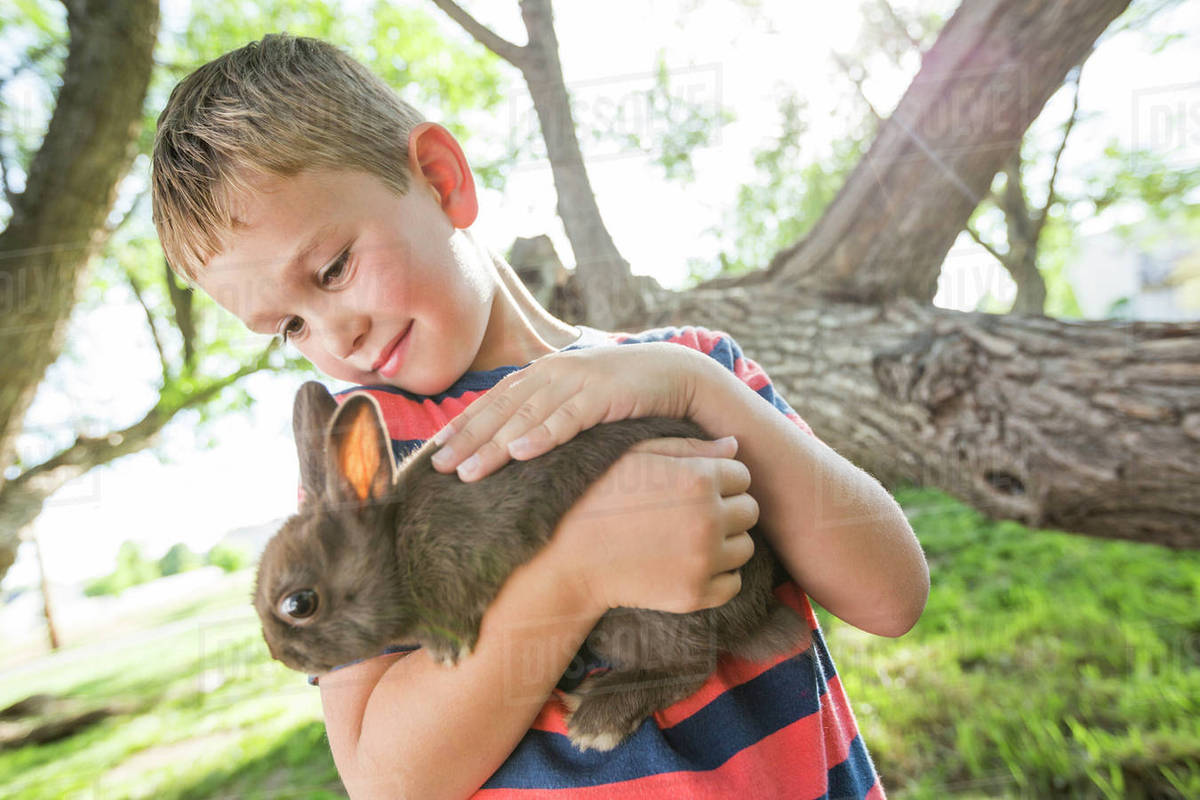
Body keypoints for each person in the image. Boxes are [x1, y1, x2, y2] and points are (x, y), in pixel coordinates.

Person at [151, 33, 927, 800]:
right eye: (289, 328)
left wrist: (696, 392)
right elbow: (388, 782)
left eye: (333, 270)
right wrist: (576, 572)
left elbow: (892, 595)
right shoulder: (372, 475)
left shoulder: (690, 365)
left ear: (439, 179)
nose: (334, 336)